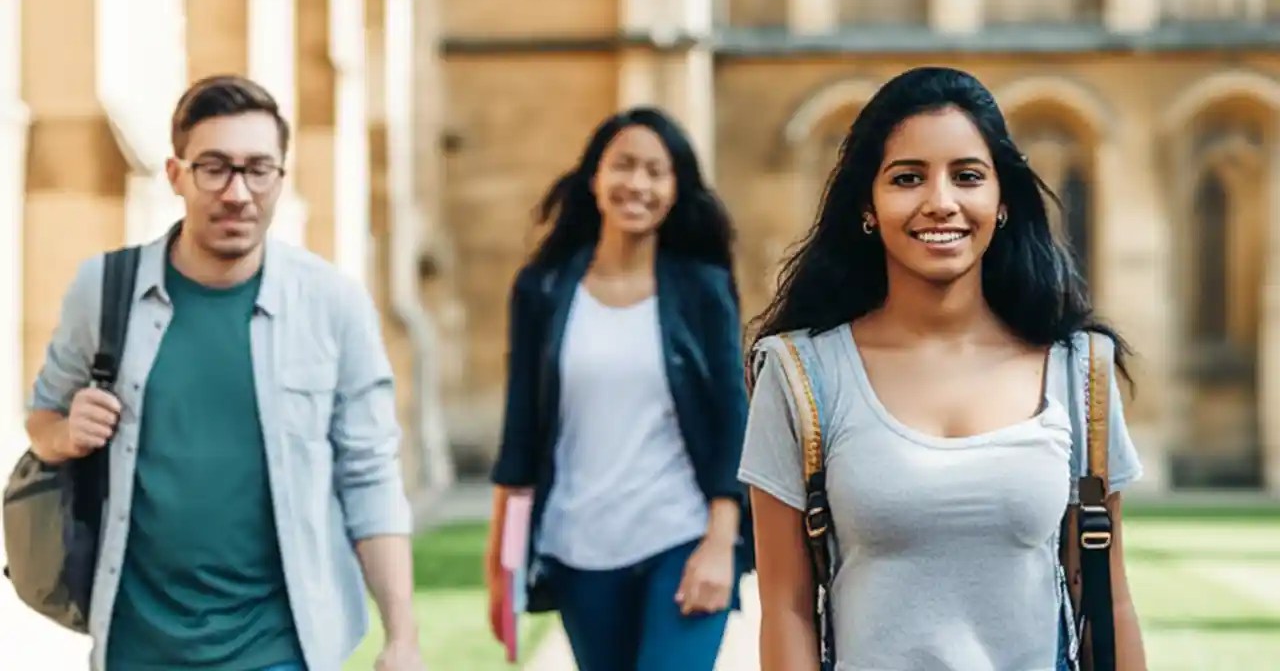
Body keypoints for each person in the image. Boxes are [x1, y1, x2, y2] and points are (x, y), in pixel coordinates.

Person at [738, 66, 1148, 671]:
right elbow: (788, 607)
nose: (941, 202)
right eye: (907, 178)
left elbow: (1107, 595)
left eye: (967, 176)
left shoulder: (1078, 369)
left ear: (1001, 200)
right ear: (868, 207)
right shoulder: (802, 373)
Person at [25, 74, 424, 671]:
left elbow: (368, 476)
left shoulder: (333, 305)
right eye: (213, 167)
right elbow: (42, 418)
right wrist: (65, 434)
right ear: (175, 175)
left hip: (282, 647)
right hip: (138, 644)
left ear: (280, 179)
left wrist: (402, 637)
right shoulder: (104, 290)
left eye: (258, 169)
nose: (238, 192)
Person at [483, 106, 752, 670]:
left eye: (656, 171)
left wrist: (721, 542)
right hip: (579, 546)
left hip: (682, 538)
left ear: (676, 189)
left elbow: (733, 418)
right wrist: (498, 562)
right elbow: (521, 434)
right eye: (624, 166)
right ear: (594, 178)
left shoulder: (702, 290)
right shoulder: (544, 288)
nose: (638, 183)